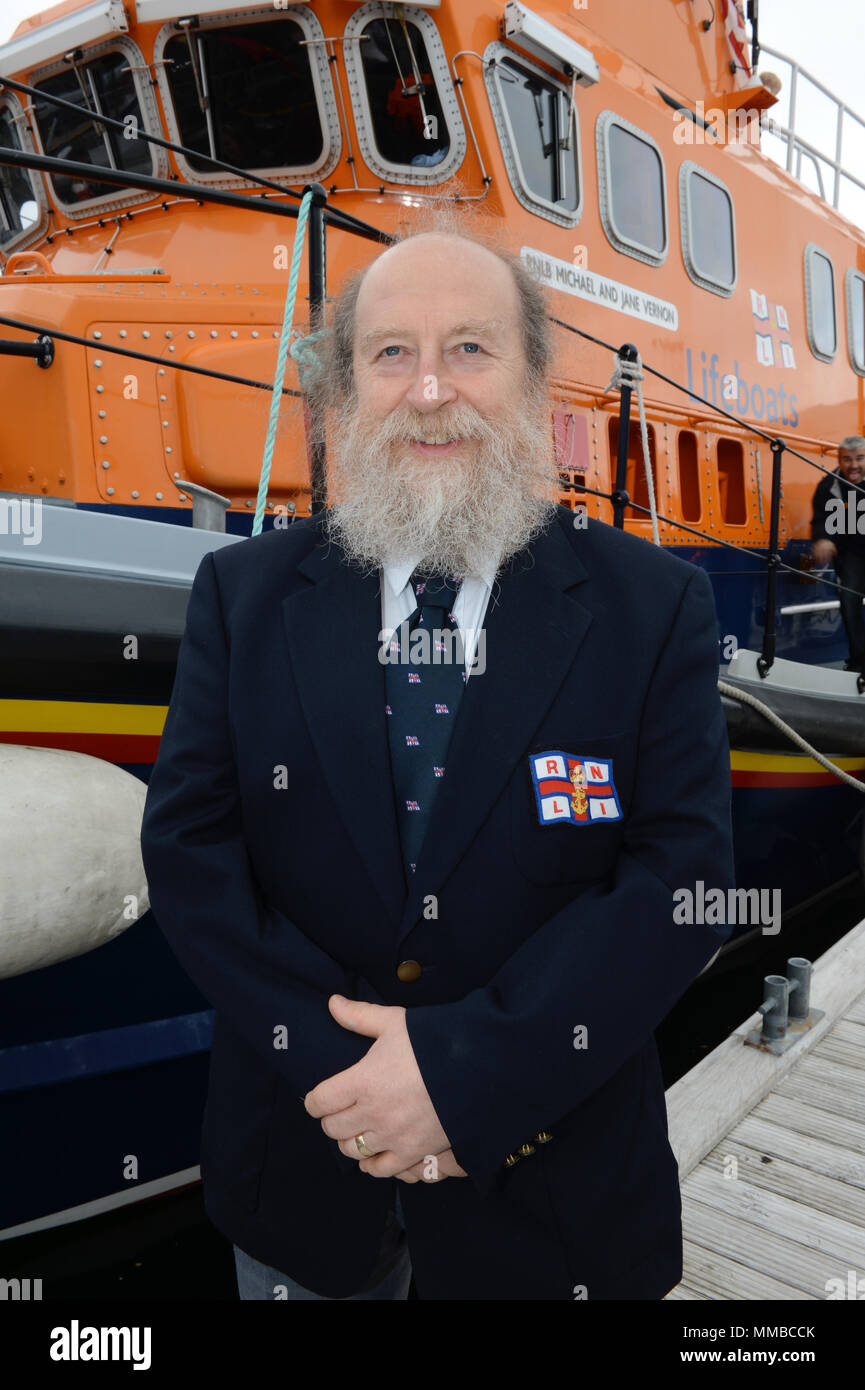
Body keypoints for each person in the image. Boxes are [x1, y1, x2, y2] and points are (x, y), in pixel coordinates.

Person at [140, 220, 735, 1302]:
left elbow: (679, 883)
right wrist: (358, 1085)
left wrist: (468, 1079)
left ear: (534, 380)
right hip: (299, 1184)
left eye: (469, 348)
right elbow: (191, 852)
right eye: (390, 353)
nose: (428, 391)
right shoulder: (243, 596)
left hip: (557, 1212)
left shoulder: (655, 610)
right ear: (343, 392)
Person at [811, 435, 865, 672]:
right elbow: (821, 520)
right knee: (849, 599)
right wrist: (823, 538)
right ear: (839, 460)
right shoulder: (828, 487)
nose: (854, 465)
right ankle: (859, 662)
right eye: (847, 459)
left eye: (860, 458)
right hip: (853, 552)